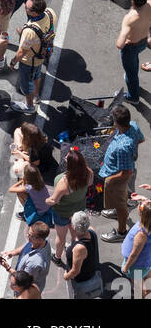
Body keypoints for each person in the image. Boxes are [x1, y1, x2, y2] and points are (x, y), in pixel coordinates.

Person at [99, 103, 145, 244]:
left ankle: (121, 232)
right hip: (119, 175)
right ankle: (117, 212)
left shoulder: (123, 148)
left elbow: (126, 173)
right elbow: (141, 139)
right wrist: (134, 151)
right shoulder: (133, 126)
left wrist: (110, 180)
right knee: (121, 199)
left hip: (117, 178)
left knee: (121, 206)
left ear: (116, 122)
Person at [9, 0, 57, 115]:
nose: (25, 7)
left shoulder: (29, 32)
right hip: (41, 57)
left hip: (28, 62)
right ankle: (36, 95)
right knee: (37, 75)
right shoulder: (50, 13)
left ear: (34, 13)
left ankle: (29, 106)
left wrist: (13, 62)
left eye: (27, 8)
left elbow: (21, 52)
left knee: (26, 85)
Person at [46, 149, 93, 263]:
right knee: (75, 235)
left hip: (62, 213)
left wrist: (46, 200)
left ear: (70, 166)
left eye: (66, 159)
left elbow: (54, 200)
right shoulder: (89, 173)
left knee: (61, 238)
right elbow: (90, 184)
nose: (65, 159)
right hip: (78, 211)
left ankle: (57, 258)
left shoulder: (63, 181)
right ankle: (72, 250)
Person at [115, 0, 151, 105]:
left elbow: (119, 44)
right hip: (143, 41)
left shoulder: (129, 18)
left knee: (131, 75)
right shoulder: (149, 5)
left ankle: (133, 97)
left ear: (133, 1)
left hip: (131, 47)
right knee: (133, 63)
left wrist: (123, 41)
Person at [0, 221, 51, 296]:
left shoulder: (34, 263)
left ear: (40, 240)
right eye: (28, 234)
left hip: (24, 291)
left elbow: (23, 280)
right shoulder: (43, 241)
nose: (28, 237)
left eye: (31, 236)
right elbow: (27, 246)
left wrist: (8, 268)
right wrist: (12, 252)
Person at [60, 210, 103, 300]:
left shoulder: (79, 248)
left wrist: (66, 276)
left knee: (75, 295)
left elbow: (75, 271)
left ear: (74, 228)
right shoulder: (91, 231)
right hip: (91, 270)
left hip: (81, 280)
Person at [8, 162, 53, 234]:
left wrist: (21, 180)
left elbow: (11, 189)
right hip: (47, 207)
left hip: (39, 212)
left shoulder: (28, 187)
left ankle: (27, 213)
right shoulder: (40, 180)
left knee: (19, 193)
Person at [120, 201, 151, 296]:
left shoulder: (141, 234)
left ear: (143, 214)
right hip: (146, 261)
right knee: (148, 280)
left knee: (138, 290)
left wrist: (126, 267)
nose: (139, 205)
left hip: (137, 266)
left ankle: (143, 295)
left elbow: (134, 255)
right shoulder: (148, 225)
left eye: (140, 206)